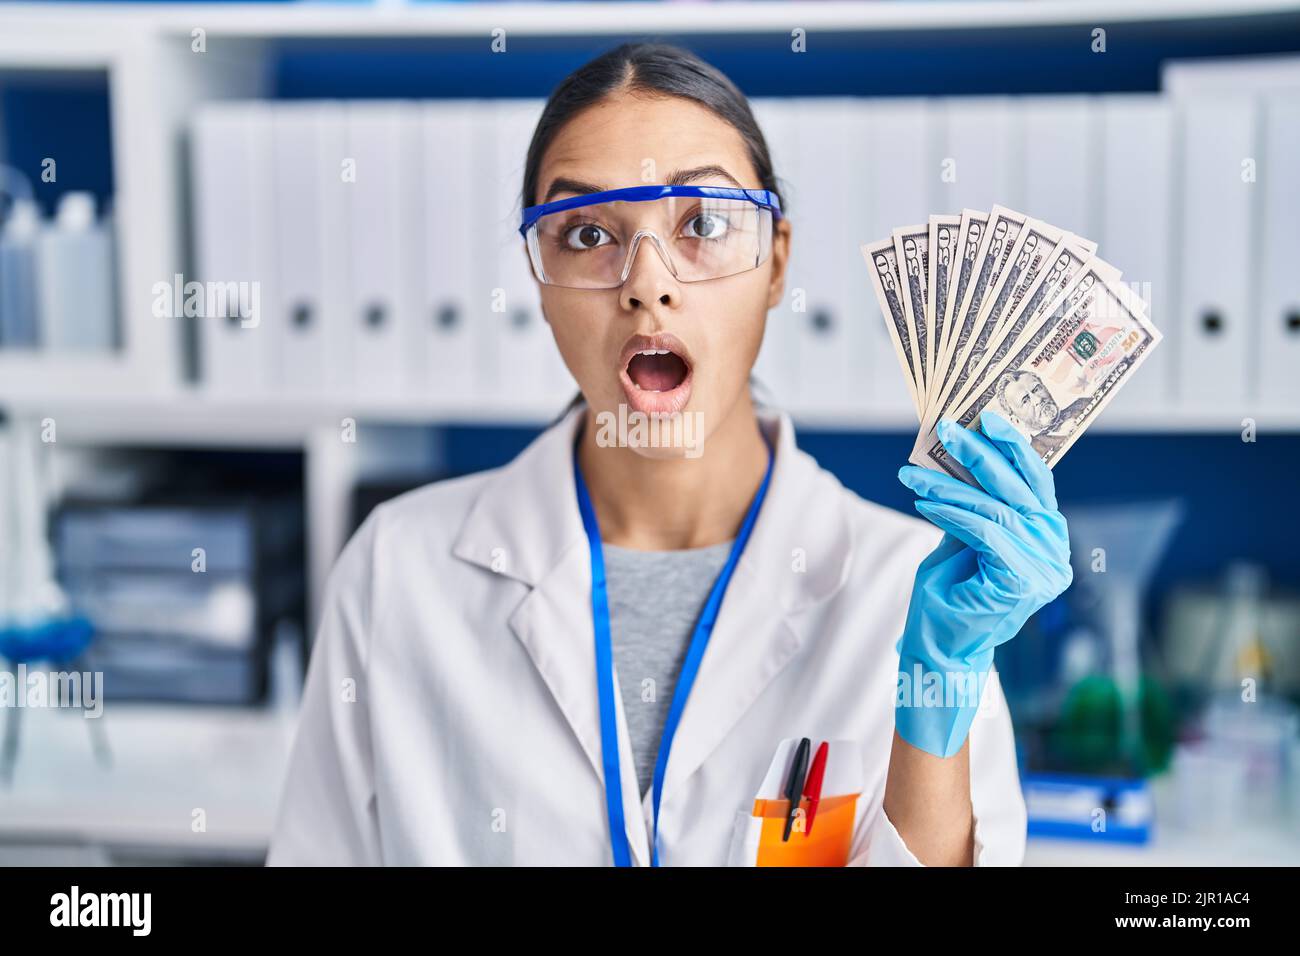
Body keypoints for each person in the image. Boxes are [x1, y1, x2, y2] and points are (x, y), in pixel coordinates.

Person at [266, 42, 1071, 867]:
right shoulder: (398, 570)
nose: (646, 283)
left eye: (705, 224)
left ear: (776, 265)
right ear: (540, 281)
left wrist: (936, 684)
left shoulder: (913, 597)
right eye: (587, 233)